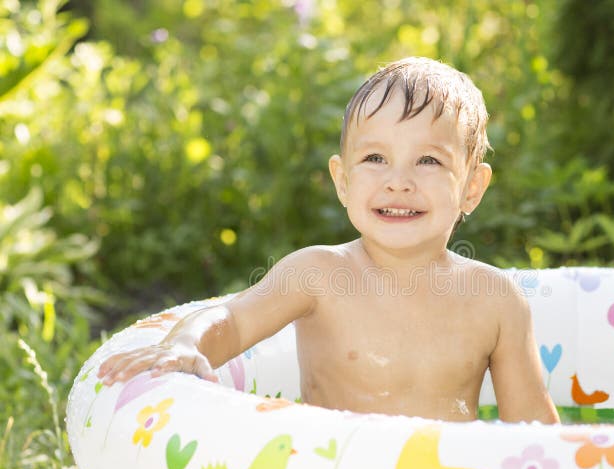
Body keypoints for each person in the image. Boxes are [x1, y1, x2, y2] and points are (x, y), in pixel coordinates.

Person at [98, 57, 559, 424]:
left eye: (429, 162)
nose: (398, 181)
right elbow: (233, 319)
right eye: (376, 157)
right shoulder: (317, 276)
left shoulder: (495, 302)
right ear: (342, 181)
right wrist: (185, 344)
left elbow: (534, 431)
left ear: (471, 189)